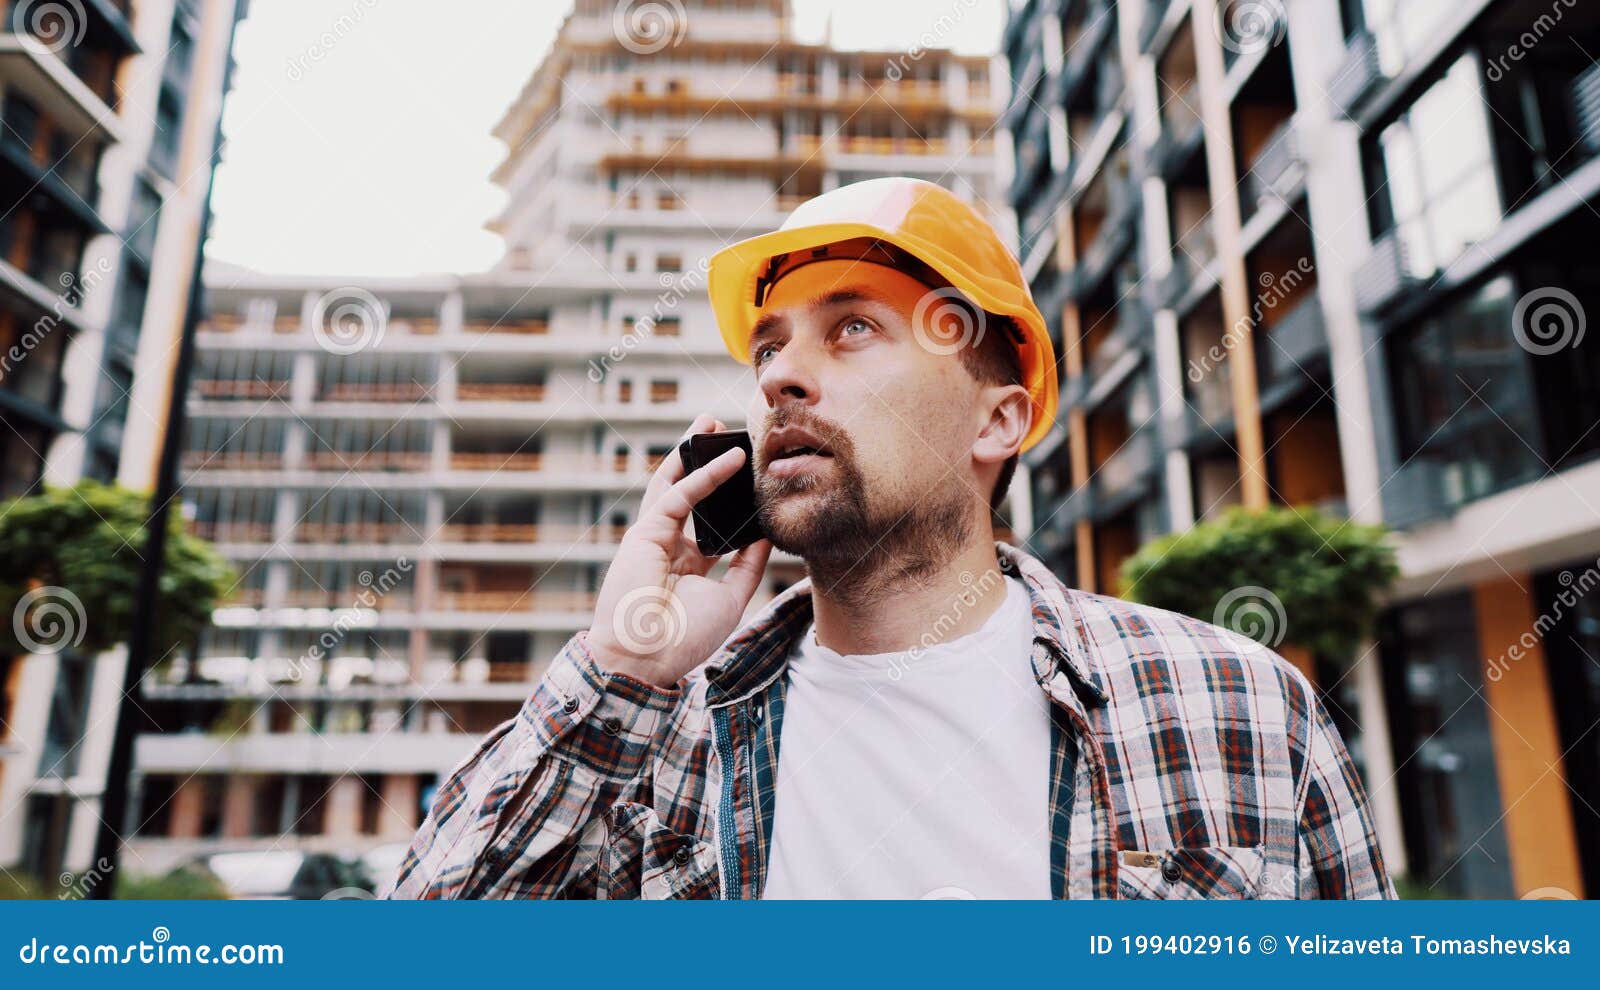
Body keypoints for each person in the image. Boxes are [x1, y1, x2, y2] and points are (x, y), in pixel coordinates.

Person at [389, 176, 1393, 899]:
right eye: (769, 344)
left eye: (852, 328)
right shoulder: (660, 734)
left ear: (995, 421)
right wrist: (625, 664)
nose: (778, 375)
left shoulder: (1237, 705)